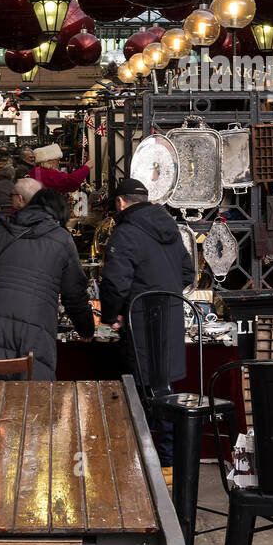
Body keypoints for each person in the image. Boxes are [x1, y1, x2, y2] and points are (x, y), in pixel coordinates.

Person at [99, 177, 195, 472]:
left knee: (140, 395)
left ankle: (141, 466)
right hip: (169, 319)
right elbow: (187, 274)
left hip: (140, 321)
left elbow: (115, 283)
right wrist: (163, 294)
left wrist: (111, 315)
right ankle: (167, 465)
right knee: (163, 388)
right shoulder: (169, 227)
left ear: (120, 202)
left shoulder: (126, 232)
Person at [0, 188, 94, 379]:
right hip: (34, 334)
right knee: (30, 401)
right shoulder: (62, 238)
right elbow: (74, 294)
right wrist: (86, 329)